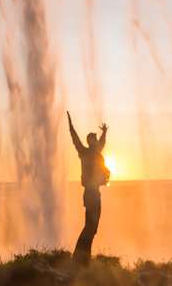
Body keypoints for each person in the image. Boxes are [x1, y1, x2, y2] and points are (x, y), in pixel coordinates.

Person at [67, 110, 109, 264]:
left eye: (96, 140)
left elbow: (102, 143)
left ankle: (84, 256)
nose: (97, 142)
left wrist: (104, 132)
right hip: (90, 193)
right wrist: (71, 126)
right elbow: (75, 140)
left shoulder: (96, 152)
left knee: (93, 227)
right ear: (90, 141)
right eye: (94, 139)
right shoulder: (84, 152)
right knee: (90, 226)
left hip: (95, 193)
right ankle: (80, 257)